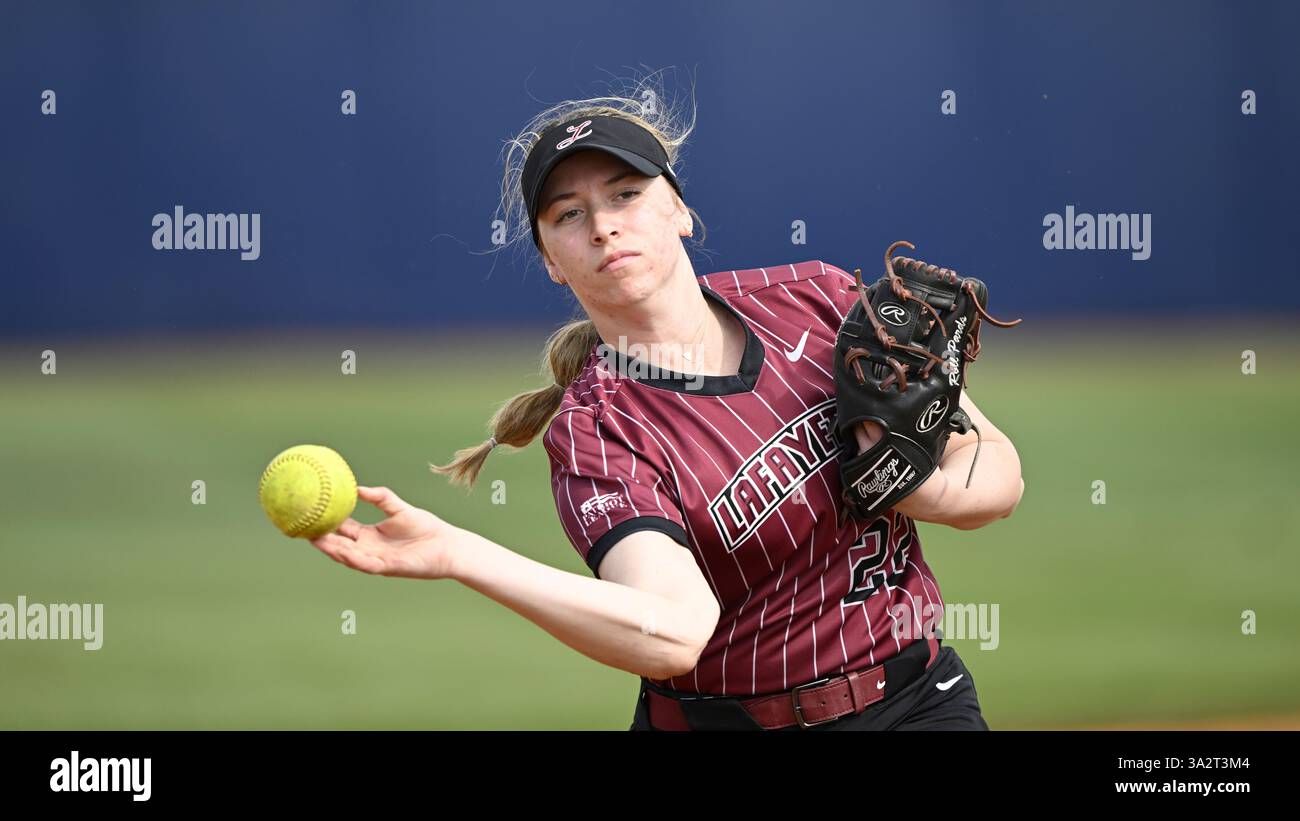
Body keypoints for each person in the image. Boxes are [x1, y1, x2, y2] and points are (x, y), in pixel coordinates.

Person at [307, 81, 1025, 730]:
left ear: (679, 209)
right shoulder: (599, 433)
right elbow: (676, 627)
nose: (603, 225)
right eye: (568, 213)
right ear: (552, 259)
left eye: (626, 194)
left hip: (918, 704)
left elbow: (996, 472)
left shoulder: (818, 299)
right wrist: (460, 553)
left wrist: (917, 482)